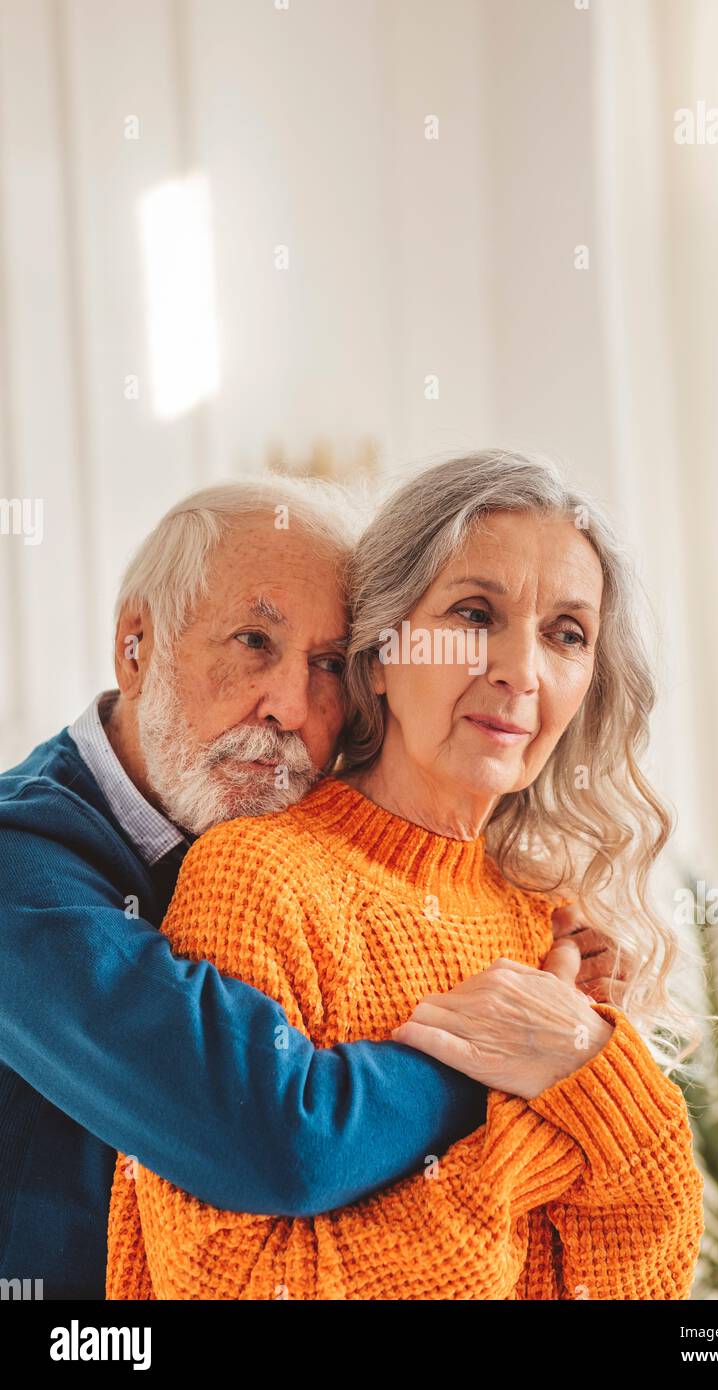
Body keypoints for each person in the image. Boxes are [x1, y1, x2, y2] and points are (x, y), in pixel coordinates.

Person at [105, 450, 705, 1301]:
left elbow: (640, 1270)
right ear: (377, 656)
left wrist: (592, 1065)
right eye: (474, 613)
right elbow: (234, 1286)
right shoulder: (260, 876)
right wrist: (556, 1118)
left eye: (565, 633)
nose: (520, 671)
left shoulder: (549, 925)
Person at [0, 474, 600, 1300]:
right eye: (254, 640)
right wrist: (504, 1051)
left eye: (326, 665)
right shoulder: (17, 869)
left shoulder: (279, 850)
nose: (290, 705)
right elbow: (280, 1139)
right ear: (134, 646)